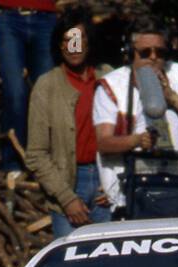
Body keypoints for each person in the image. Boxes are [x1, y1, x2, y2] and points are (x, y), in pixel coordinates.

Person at [93, 16, 178, 217]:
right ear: (129, 52)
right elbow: (103, 143)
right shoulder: (111, 86)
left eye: (160, 52)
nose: (153, 57)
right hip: (133, 193)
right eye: (144, 52)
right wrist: (136, 140)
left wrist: (173, 98)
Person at [25, 8, 112, 237]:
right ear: (60, 45)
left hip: (107, 181)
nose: (73, 46)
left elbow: (129, 131)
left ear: (88, 41)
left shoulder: (109, 78)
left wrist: (115, 182)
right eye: (67, 40)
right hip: (69, 183)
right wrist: (66, 198)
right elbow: (36, 154)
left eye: (79, 39)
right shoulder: (47, 86)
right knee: (72, 266)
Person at [0, 0, 58, 173]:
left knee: (46, 93)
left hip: (45, 17)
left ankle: (44, 157)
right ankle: (13, 162)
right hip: (9, 16)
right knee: (15, 92)